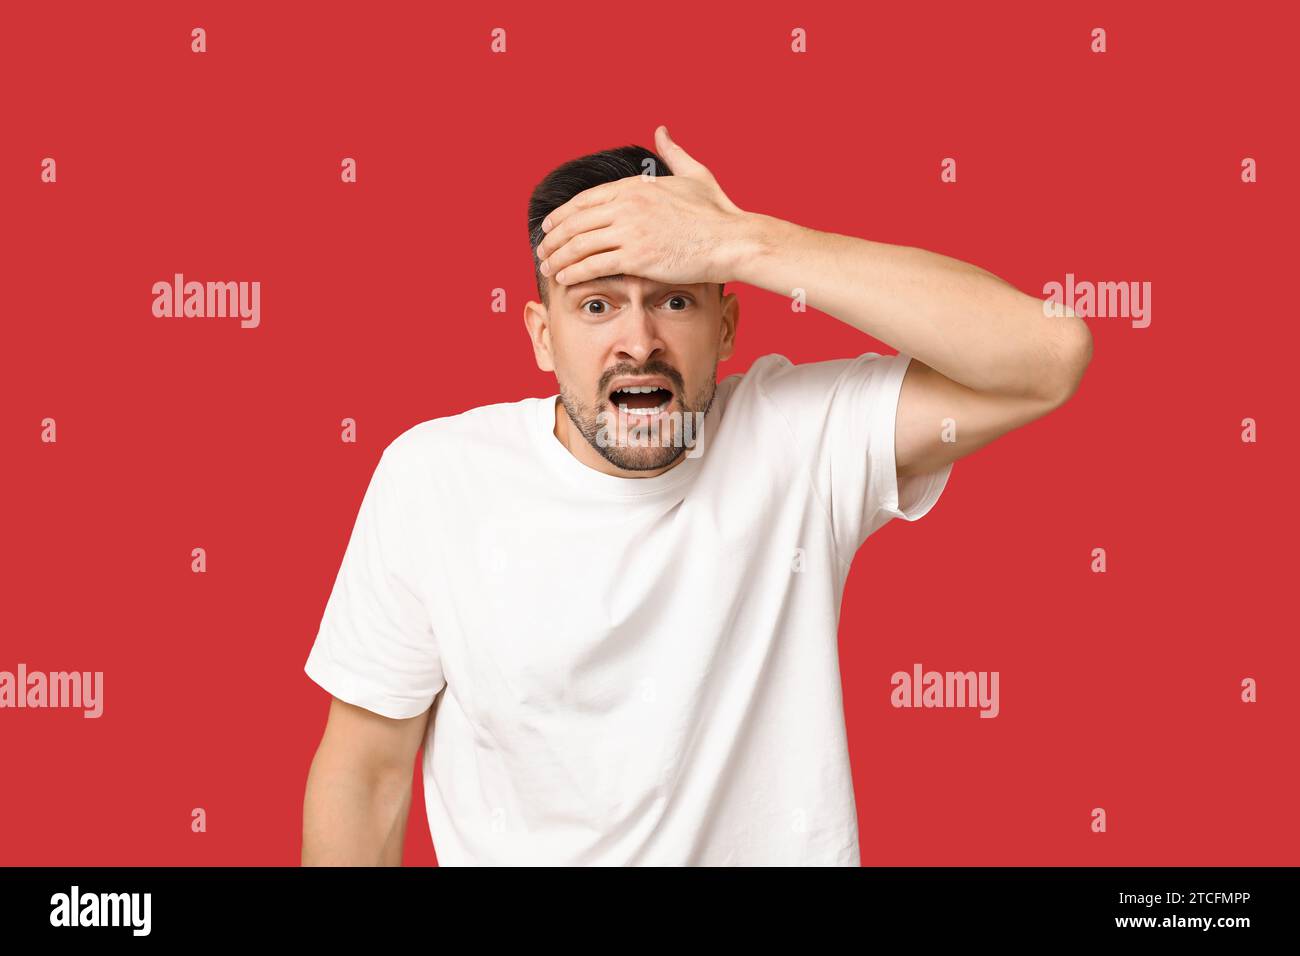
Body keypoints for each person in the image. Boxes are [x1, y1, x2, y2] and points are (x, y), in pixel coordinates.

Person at [301, 125, 1092, 866]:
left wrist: (746, 240)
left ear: (727, 324)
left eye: (675, 298)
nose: (638, 340)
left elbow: (1049, 353)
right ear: (543, 336)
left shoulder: (798, 437)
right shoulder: (435, 479)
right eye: (598, 304)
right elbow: (367, 772)